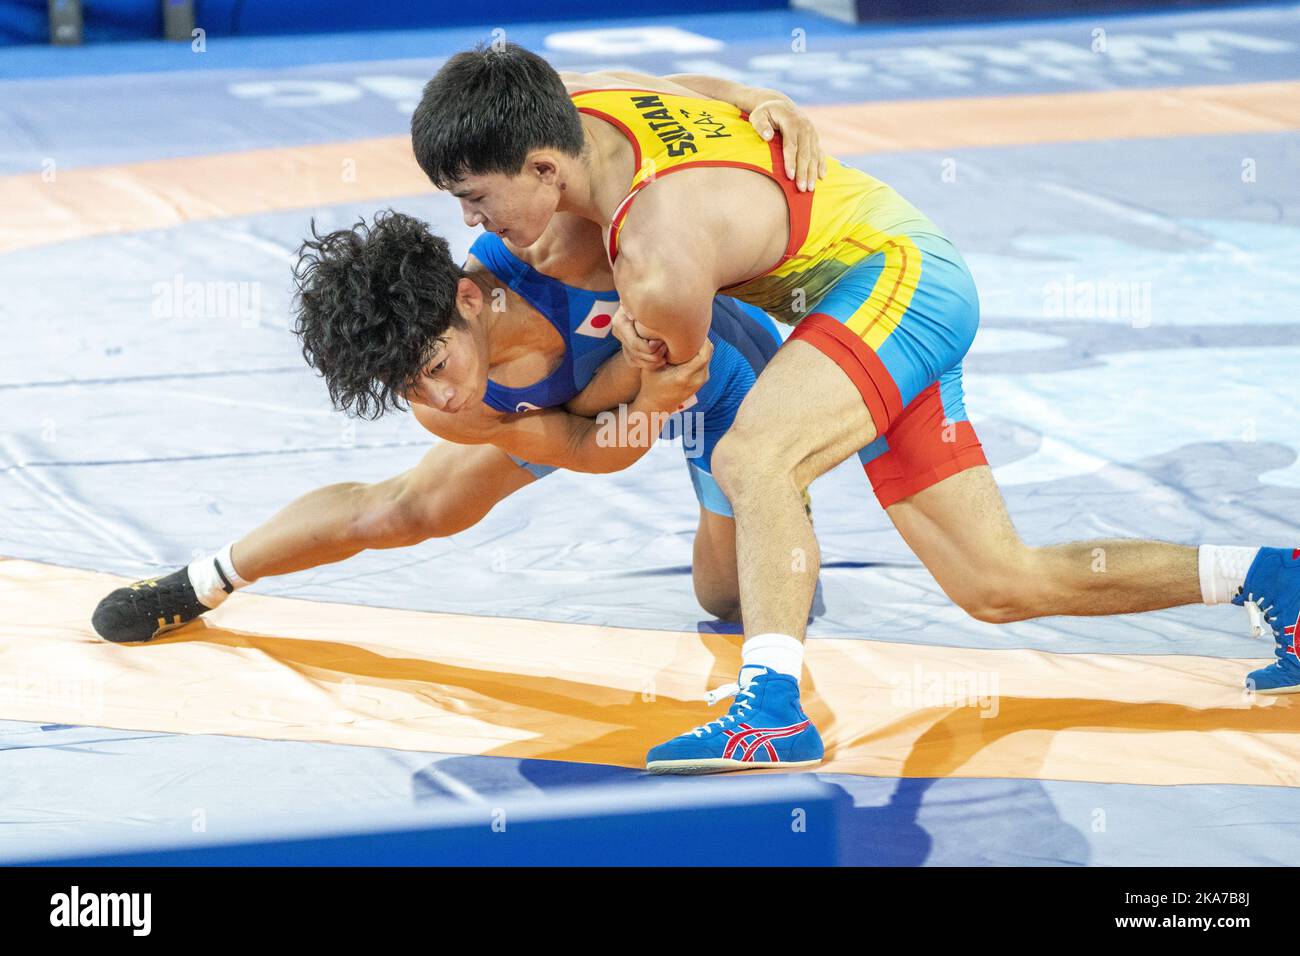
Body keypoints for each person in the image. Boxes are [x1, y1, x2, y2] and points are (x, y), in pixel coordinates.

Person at [410, 43, 1299, 773]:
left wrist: (562, 412)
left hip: (895, 282)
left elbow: (669, 398)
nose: (469, 222)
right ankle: (1270, 576)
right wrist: (762, 94)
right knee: (998, 584)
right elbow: (694, 87)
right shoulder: (576, 96)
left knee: (755, 457)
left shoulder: (657, 256)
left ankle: (770, 711)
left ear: (540, 163)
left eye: (476, 199)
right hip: (882, 292)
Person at [91, 208, 791, 645]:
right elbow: (590, 451)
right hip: (629, 404)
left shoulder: (561, 246)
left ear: (468, 298)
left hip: (726, 374)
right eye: (410, 386)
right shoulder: (448, 406)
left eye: (436, 364)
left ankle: (747, 500)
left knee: (729, 599)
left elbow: (633, 150)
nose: (440, 396)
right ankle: (203, 581)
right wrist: (646, 404)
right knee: (408, 509)